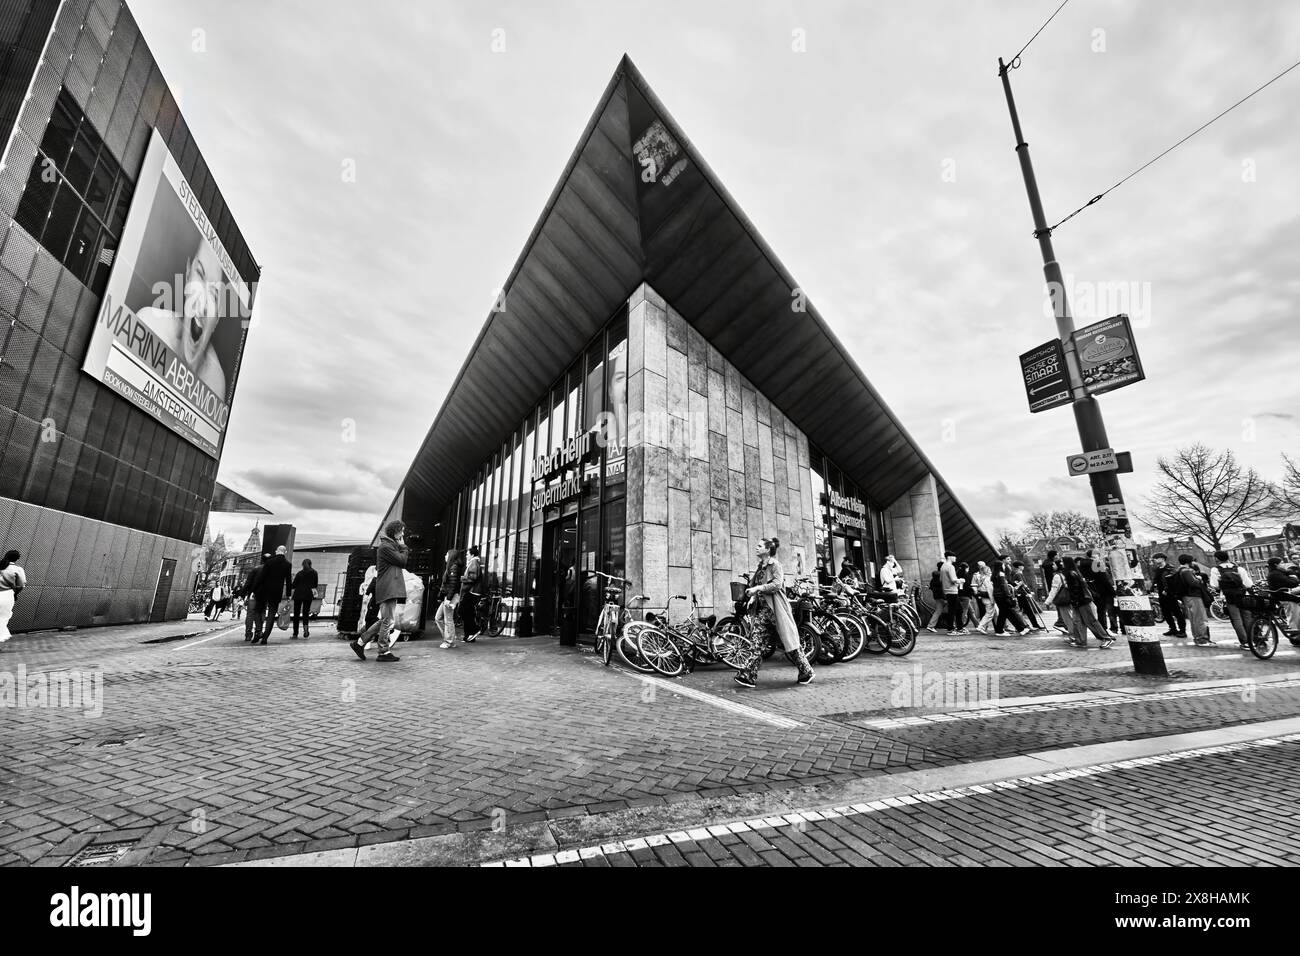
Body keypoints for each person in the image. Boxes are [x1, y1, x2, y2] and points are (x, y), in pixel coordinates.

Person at [135, 236, 229, 398]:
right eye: (199, 274)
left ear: (218, 318)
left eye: (214, 294)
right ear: (187, 277)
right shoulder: (148, 325)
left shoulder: (215, 385)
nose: (203, 301)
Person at [734, 537, 814, 687]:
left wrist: (758, 589)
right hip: (763, 611)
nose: (756, 548)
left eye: (759, 546)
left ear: (767, 549)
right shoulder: (760, 567)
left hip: (777, 610)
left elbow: (777, 584)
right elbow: (755, 585)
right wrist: (752, 595)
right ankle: (748, 675)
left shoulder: (775, 565)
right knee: (756, 641)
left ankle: (806, 671)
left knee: (789, 642)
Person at [350, 522, 409, 662]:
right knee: (387, 621)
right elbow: (402, 561)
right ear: (395, 532)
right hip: (388, 587)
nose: (403, 534)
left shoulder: (389, 546)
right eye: (402, 531)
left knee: (384, 620)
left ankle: (359, 643)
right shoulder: (386, 547)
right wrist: (404, 546)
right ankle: (383, 651)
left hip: (389, 587)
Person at [1061, 556, 1114, 648]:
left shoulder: (1070, 574)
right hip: (1080, 600)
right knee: (1078, 621)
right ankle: (1081, 641)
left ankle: (1105, 638)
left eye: (1062, 562)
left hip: (1081, 600)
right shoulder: (1074, 572)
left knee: (1090, 620)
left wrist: (1075, 600)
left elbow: (1075, 589)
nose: (1061, 564)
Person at [1209, 550, 1253, 648]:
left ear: (1217, 559)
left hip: (1228, 597)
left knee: (1236, 619)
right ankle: (1252, 640)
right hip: (1243, 595)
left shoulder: (1215, 570)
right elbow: (1248, 584)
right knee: (1247, 618)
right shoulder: (1239, 568)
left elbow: (1214, 585)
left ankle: (1245, 642)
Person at [251, 546, 293, 645]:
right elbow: (288, 580)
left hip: (264, 590)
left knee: (258, 610)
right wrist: (288, 594)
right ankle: (265, 637)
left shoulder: (269, 561)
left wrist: (254, 590)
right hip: (276, 592)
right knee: (271, 614)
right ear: (285, 552)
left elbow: (261, 577)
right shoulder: (287, 564)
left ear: (276, 551)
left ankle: (258, 630)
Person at [1174, 553, 1214, 645]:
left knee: (1194, 618)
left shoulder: (1179, 570)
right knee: (1200, 618)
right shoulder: (1187, 571)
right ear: (1189, 562)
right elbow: (1193, 583)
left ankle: (1197, 638)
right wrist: (1199, 579)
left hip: (1187, 597)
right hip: (1194, 596)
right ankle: (1202, 639)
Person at [433, 548, 466, 650]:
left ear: (451, 556)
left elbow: (453, 585)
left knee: (448, 619)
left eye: (447, 554)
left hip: (449, 597)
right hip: (447, 597)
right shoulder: (451, 567)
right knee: (438, 618)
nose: (445, 556)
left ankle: (449, 641)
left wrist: (448, 598)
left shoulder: (453, 567)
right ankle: (449, 637)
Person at [991, 556, 1031, 635]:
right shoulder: (1001, 574)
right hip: (1003, 596)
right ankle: (1020, 629)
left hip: (997, 596)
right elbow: (1004, 586)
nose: (1003, 566)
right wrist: (1009, 596)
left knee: (1004, 613)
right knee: (1009, 613)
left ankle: (1000, 630)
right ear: (1000, 566)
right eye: (1002, 565)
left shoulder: (994, 575)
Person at [1149, 553, 1186, 639]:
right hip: (1161, 594)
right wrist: (1151, 588)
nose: (1154, 560)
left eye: (1156, 558)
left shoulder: (1170, 568)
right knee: (1166, 612)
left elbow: (1173, 581)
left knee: (1177, 612)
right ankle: (1172, 628)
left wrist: (1167, 590)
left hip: (1170, 594)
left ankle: (1182, 630)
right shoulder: (1157, 569)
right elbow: (1156, 580)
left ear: (1162, 559)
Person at [1085, 550, 1120, 634]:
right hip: (1105, 591)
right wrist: (1113, 591)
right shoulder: (1097, 564)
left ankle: (1105, 628)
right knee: (1109, 610)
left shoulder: (1088, 566)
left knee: (1102, 611)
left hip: (1097, 591)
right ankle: (1110, 628)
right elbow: (1104, 579)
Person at [1045, 559, 1076, 644]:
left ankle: (1073, 635)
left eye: (1054, 564)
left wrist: (1048, 601)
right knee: (1071, 617)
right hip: (1070, 598)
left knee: (1067, 618)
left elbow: (1054, 590)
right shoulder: (1067, 573)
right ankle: (1075, 634)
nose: (1052, 566)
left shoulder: (1057, 576)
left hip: (1063, 599)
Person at [1265, 557, 1300, 635]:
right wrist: (1292, 576)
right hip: (1285, 596)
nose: (1283, 565)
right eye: (1281, 563)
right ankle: (1295, 635)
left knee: (1294, 614)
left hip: (1284, 595)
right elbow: (1292, 583)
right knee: (1293, 616)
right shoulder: (1276, 574)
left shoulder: (1277, 573)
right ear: (1276, 565)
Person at [0, 550, 25, 647]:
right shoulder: (17, 569)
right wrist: (16, 593)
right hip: (7, 595)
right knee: (2, 619)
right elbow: (21, 584)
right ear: (17, 559)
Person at [239, 557, 266, 643]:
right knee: (261, 613)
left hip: (253, 595)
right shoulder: (270, 571)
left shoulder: (255, 569)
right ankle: (258, 632)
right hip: (264, 596)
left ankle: (248, 634)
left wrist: (242, 594)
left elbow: (248, 583)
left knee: (250, 614)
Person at [1012, 561, 1045, 631]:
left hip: (1021, 594)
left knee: (1024, 611)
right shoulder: (1018, 574)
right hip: (1022, 595)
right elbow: (1022, 585)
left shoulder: (1017, 574)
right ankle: (1034, 625)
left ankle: (1029, 625)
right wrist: (1028, 592)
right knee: (1027, 611)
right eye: (1022, 565)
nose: (1023, 567)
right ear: (1019, 566)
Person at [291, 558, 318, 640]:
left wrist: (292, 580)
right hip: (308, 595)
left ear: (302, 565)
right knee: (306, 613)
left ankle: (295, 633)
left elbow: (294, 585)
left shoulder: (299, 573)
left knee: (296, 614)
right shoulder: (314, 573)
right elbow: (315, 585)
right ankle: (306, 630)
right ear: (310, 564)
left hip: (298, 595)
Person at [460, 545, 483, 642]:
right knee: (468, 613)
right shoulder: (473, 563)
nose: (466, 556)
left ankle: (474, 630)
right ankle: (469, 636)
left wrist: (461, 578)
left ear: (472, 555)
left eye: (467, 554)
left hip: (472, 592)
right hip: (472, 592)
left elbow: (473, 578)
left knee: (463, 611)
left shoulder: (473, 563)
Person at [940, 551, 964, 635]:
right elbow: (954, 579)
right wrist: (961, 580)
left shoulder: (943, 566)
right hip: (952, 591)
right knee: (953, 610)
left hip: (947, 591)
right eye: (954, 556)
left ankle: (959, 628)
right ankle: (951, 629)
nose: (956, 558)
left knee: (958, 610)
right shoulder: (950, 566)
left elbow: (941, 580)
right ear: (949, 557)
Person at [1040, 549, 1064, 631]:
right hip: (1056, 585)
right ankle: (1061, 621)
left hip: (1054, 585)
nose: (1058, 556)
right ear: (1054, 556)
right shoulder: (1051, 565)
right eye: (1057, 554)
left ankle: (1061, 621)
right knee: (1061, 603)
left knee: (1060, 603)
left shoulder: (1048, 563)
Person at [974, 561, 997, 633]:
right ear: (986, 572)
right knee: (989, 614)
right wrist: (993, 600)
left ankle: (998, 628)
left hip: (984, 598)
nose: (990, 572)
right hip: (988, 599)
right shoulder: (987, 579)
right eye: (989, 571)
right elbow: (990, 591)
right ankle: (981, 626)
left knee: (995, 612)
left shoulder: (982, 578)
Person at [957, 562, 980, 629]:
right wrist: (973, 590)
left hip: (960, 594)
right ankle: (960, 627)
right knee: (964, 612)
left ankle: (977, 625)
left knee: (971, 611)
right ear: (966, 568)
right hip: (966, 596)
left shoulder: (957, 574)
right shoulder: (966, 575)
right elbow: (967, 586)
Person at [924, 561, 945, 631]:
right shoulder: (942, 575)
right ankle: (953, 625)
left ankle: (931, 625)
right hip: (943, 596)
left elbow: (931, 586)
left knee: (938, 611)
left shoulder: (934, 576)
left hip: (937, 596)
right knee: (952, 609)